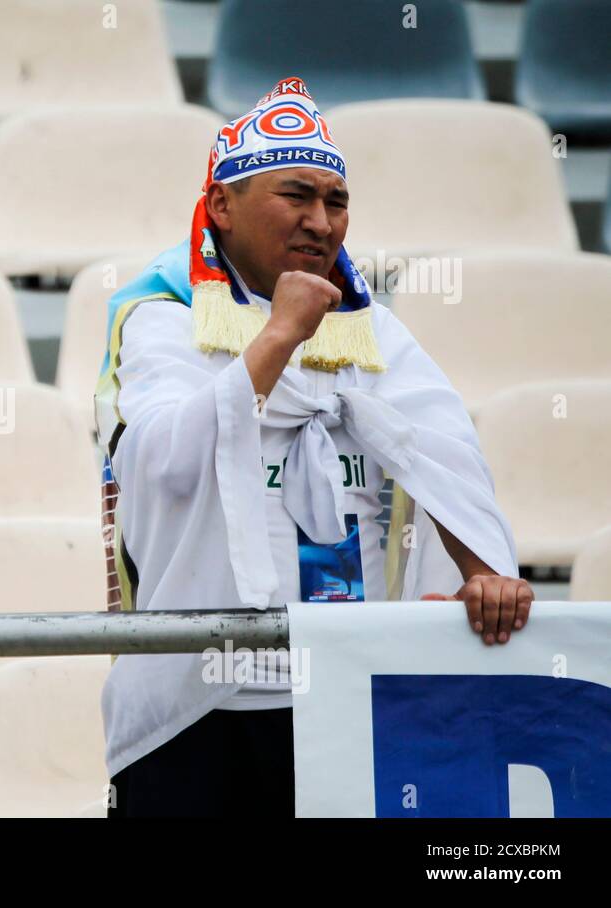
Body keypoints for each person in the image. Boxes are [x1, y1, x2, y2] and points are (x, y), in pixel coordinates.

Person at [94, 77, 534, 818]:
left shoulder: (371, 331)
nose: (321, 222)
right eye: (296, 195)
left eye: (336, 203)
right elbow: (164, 465)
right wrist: (280, 335)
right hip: (199, 707)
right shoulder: (160, 320)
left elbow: (444, 450)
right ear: (222, 205)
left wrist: (484, 571)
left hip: (347, 700)